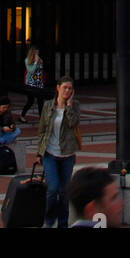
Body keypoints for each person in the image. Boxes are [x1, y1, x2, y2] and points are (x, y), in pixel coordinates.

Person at [36, 76, 80, 229]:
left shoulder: (75, 106)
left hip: (67, 154)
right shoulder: (48, 106)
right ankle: (48, 221)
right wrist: (39, 153)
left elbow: (73, 123)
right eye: (65, 88)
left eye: (70, 88)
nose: (67, 91)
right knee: (53, 188)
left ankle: (62, 223)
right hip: (50, 154)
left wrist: (68, 106)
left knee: (64, 191)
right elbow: (42, 130)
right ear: (58, 88)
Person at [21, 44, 46, 121]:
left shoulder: (40, 60)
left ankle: (41, 118)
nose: (37, 55)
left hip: (39, 83)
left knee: (40, 101)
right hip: (31, 83)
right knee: (30, 101)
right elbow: (31, 70)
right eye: (36, 53)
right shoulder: (27, 60)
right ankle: (22, 115)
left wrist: (40, 62)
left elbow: (41, 70)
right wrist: (35, 62)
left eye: (38, 53)